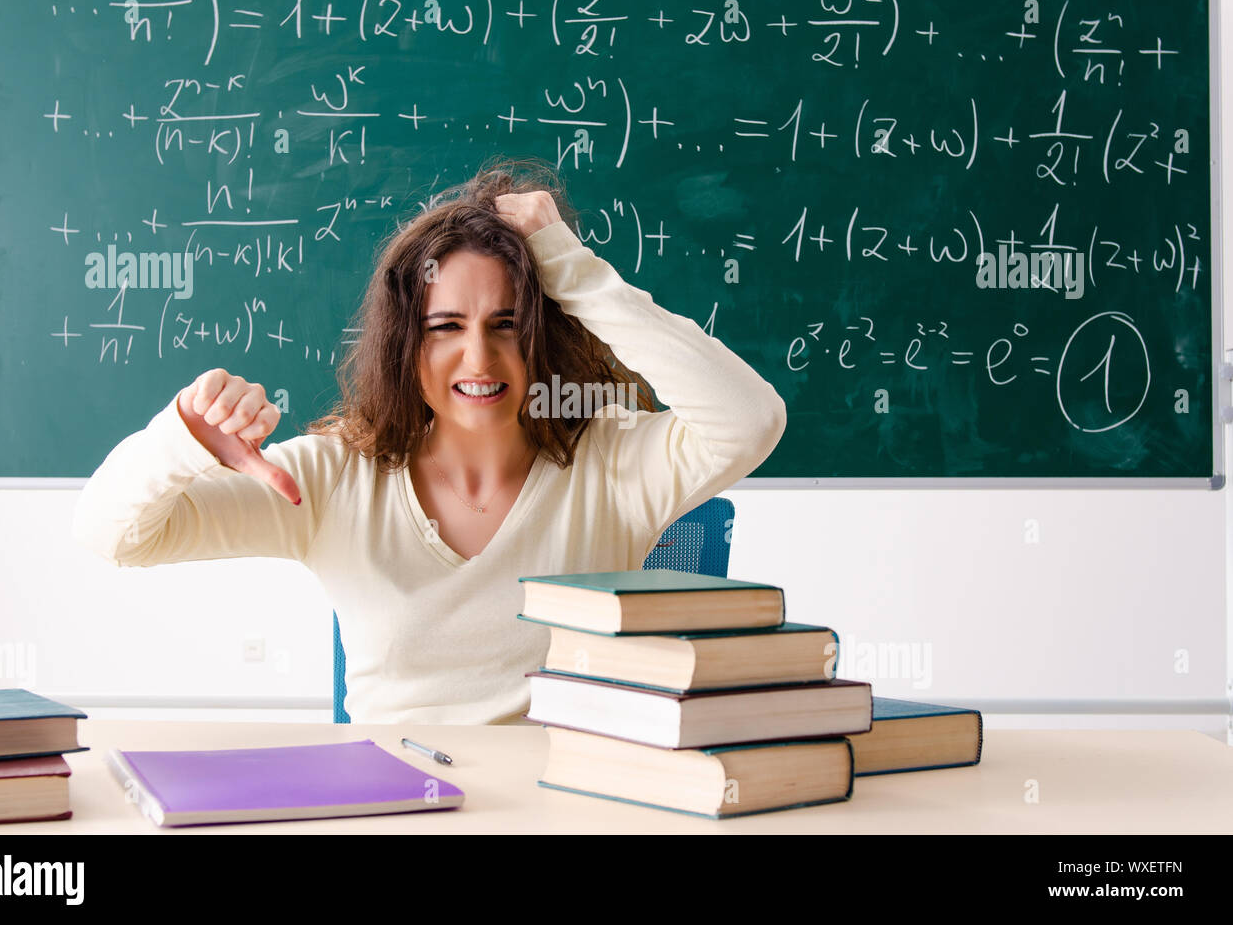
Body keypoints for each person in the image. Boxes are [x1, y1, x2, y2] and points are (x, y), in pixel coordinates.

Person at [72, 160, 787, 725]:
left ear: (545, 333)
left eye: (506, 323)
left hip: (562, 808)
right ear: (405, 344)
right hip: (395, 805)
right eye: (446, 326)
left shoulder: (611, 463)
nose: (478, 359)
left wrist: (568, 265)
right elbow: (116, 537)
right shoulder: (332, 477)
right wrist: (181, 439)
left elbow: (751, 418)